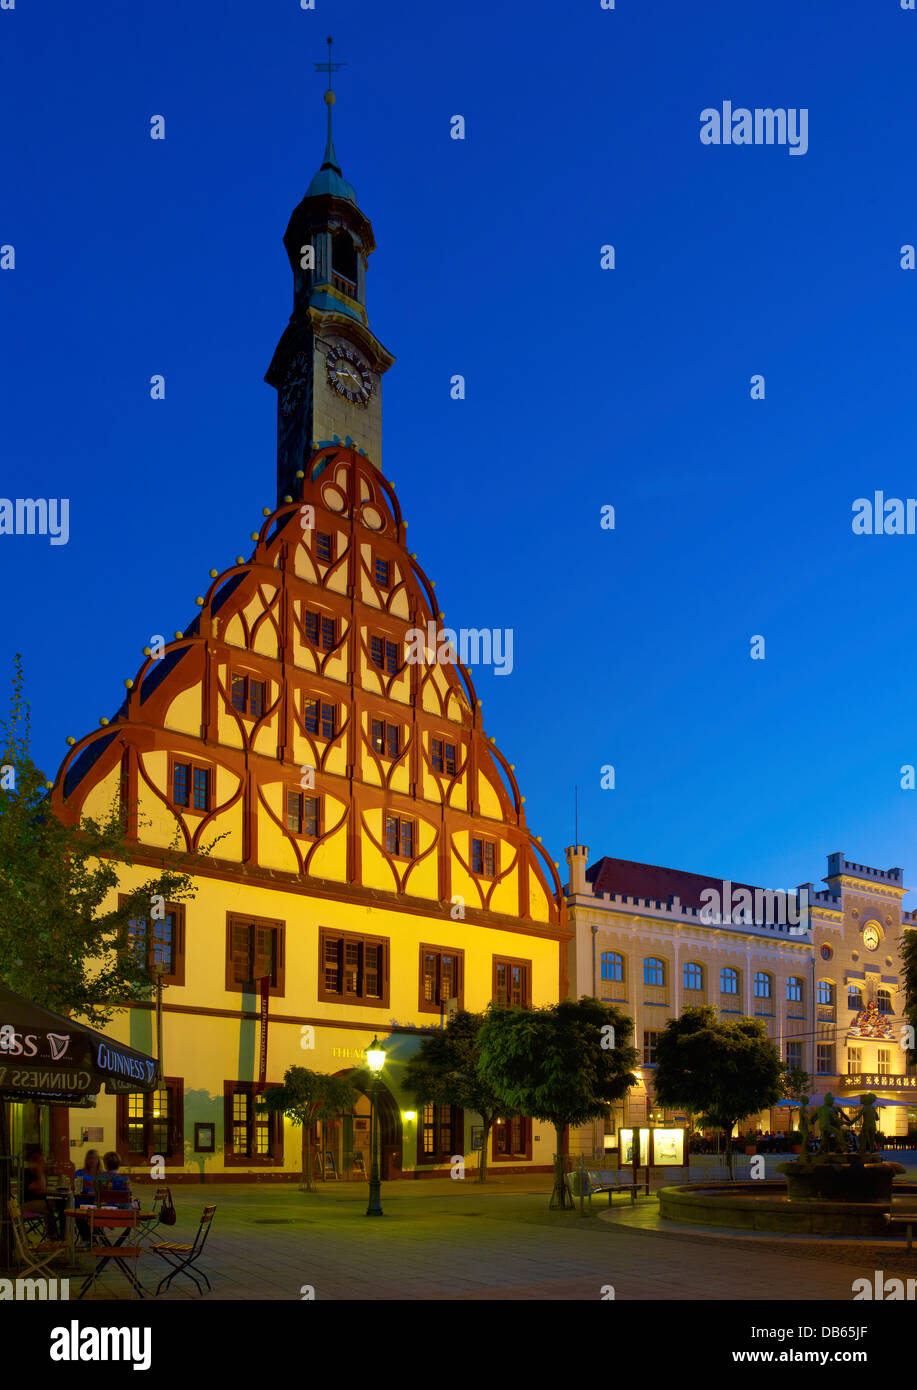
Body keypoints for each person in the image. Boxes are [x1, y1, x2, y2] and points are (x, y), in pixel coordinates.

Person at [21, 1145, 62, 1239]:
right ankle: (53, 1236)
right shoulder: (28, 1173)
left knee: (62, 1206)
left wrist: (59, 1175)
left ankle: (63, 1234)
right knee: (48, 1206)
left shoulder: (40, 1173)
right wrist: (40, 1170)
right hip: (27, 1204)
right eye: (43, 1160)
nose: (45, 1163)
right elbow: (41, 1188)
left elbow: (44, 1188)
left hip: (41, 1201)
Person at [73, 1149, 103, 1247]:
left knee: (93, 1211)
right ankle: (86, 1238)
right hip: (81, 1200)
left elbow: (104, 1189)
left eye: (94, 1158)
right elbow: (75, 1187)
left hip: (95, 1201)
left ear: (98, 1160)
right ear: (86, 1160)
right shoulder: (79, 1173)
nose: (92, 1161)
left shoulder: (102, 1175)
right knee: (78, 1211)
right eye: (90, 1158)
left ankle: (92, 1238)